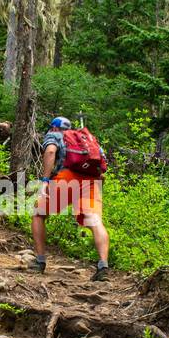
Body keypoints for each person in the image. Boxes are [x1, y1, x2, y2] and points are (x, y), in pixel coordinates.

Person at [30, 116, 110, 282]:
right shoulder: (86, 139)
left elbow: (51, 151)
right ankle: (103, 265)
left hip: (67, 177)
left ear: (53, 127)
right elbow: (102, 165)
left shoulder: (55, 135)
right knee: (95, 221)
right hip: (91, 181)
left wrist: (45, 180)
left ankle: (39, 262)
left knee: (38, 214)